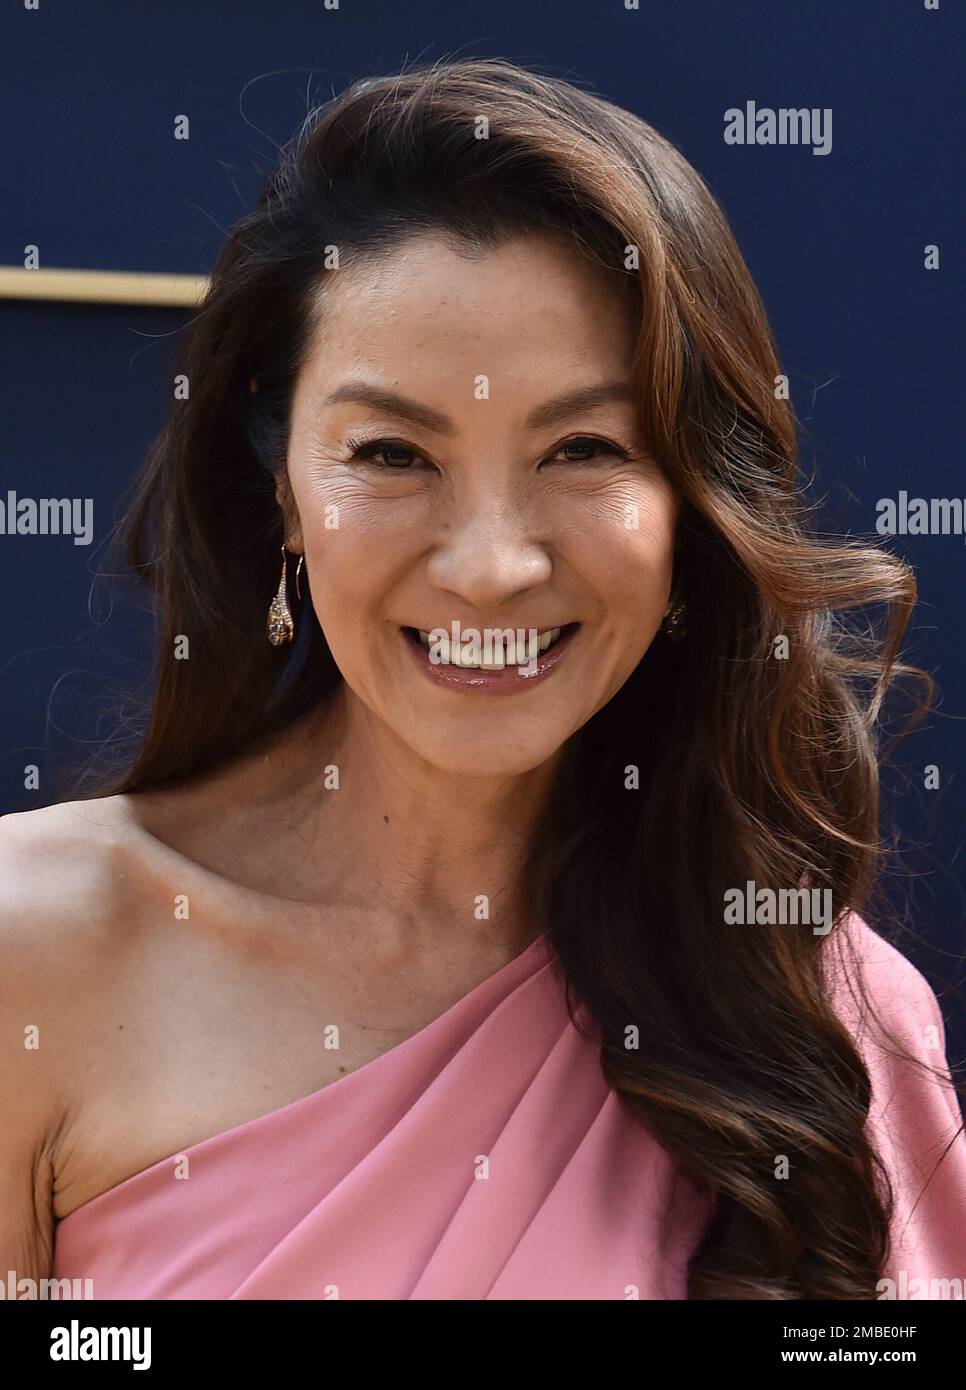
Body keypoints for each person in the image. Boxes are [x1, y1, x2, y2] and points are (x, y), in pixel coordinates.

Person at [2, 57, 964, 1301]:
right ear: (283, 492)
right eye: (393, 452)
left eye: (583, 448)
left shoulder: (825, 1010)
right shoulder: (36, 950)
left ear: (689, 509)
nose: (493, 565)